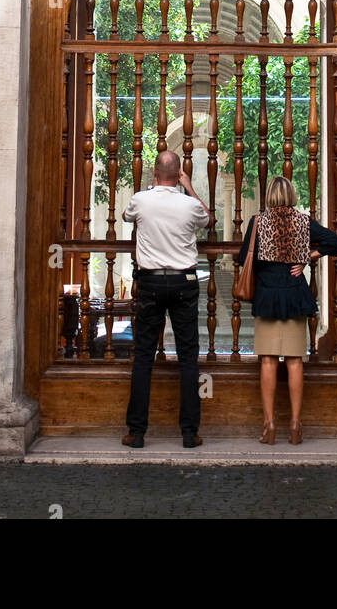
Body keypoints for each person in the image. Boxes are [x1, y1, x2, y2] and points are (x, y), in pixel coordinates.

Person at [236, 176, 337, 446]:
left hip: (268, 296)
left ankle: (269, 424)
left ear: (270, 196)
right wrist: (308, 256)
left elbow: (242, 258)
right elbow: (334, 241)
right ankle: (295, 424)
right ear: (292, 195)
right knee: (295, 361)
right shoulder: (303, 222)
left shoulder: (258, 222)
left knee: (268, 361)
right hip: (295, 294)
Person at [121, 151, 209, 449]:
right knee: (188, 358)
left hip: (151, 282)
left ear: (155, 174)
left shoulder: (141, 199)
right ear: (179, 175)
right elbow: (209, 220)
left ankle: (136, 432)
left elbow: (125, 216)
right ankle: (189, 432)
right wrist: (191, 188)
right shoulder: (189, 205)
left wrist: (149, 189)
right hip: (184, 282)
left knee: (144, 356)